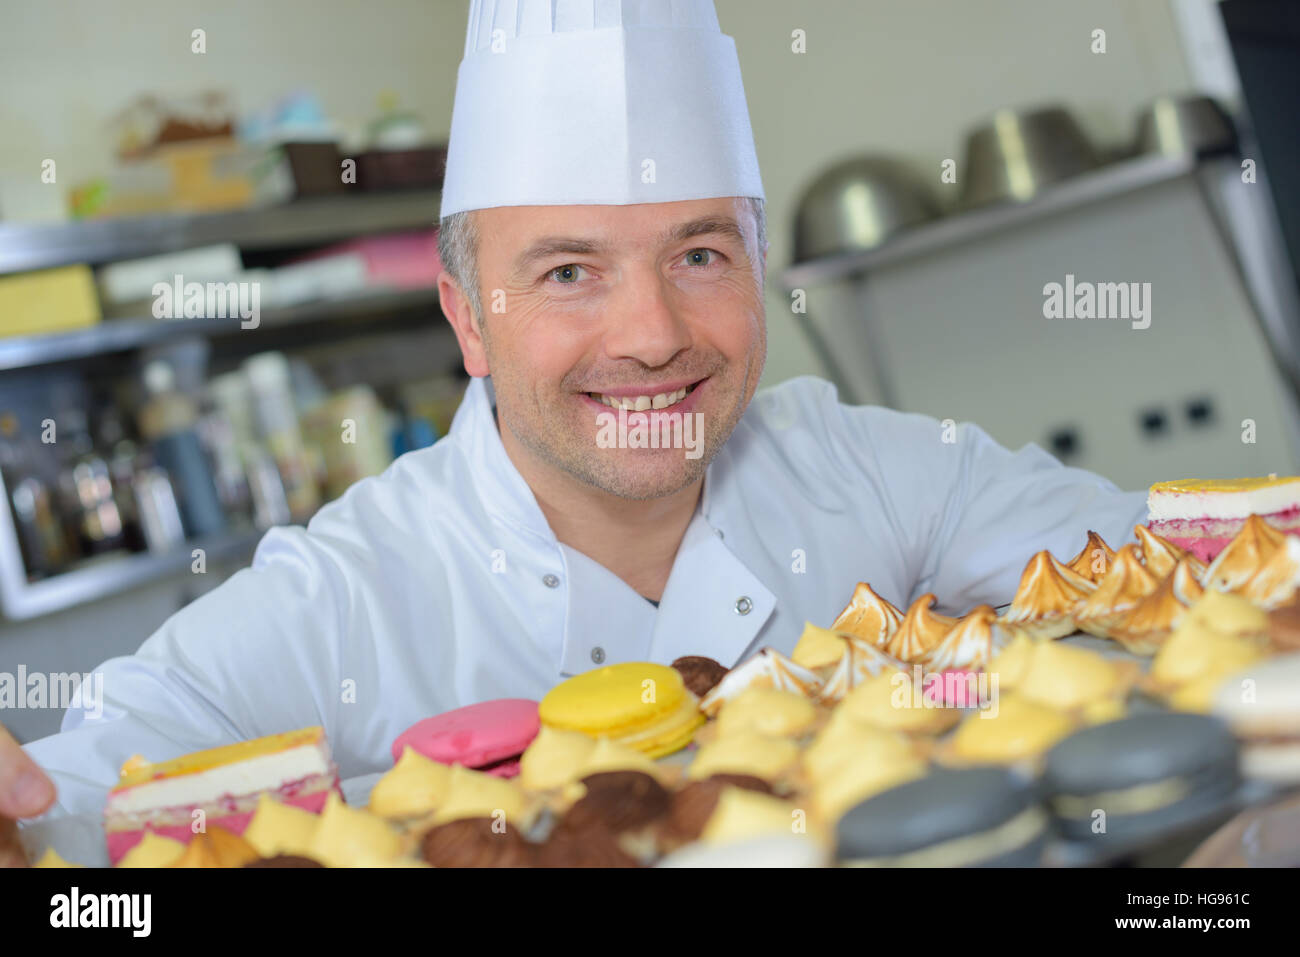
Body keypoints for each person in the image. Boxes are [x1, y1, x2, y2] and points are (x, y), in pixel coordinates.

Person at [2, 0, 1146, 864]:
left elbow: (1176, 572)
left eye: (699, 255)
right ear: (468, 318)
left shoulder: (882, 472)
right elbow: (74, 804)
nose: (651, 335)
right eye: (565, 271)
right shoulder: (336, 599)